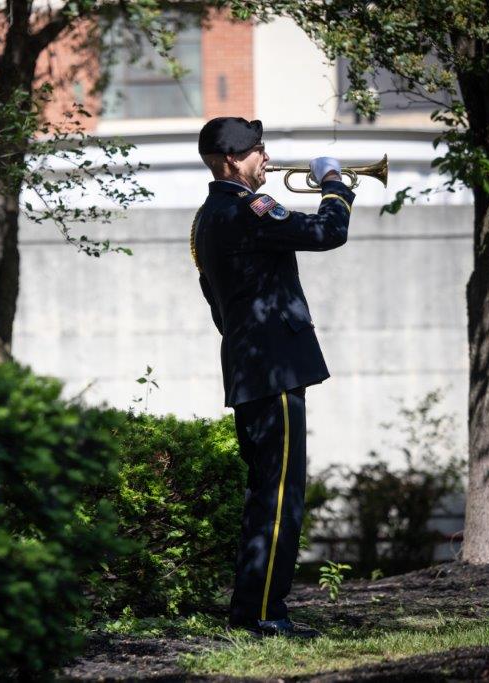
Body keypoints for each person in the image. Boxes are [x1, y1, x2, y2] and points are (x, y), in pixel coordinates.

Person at [190, 116, 355, 639]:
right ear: (231, 160)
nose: (265, 157)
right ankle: (265, 614)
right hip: (274, 369)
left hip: (248, 364)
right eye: (257, 150)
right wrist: (335, 185)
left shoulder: (206, 218)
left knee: (266, 493)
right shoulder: (249, 208)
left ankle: (253, 610)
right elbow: (328, 232)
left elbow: (216, 303)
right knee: (281, 496)